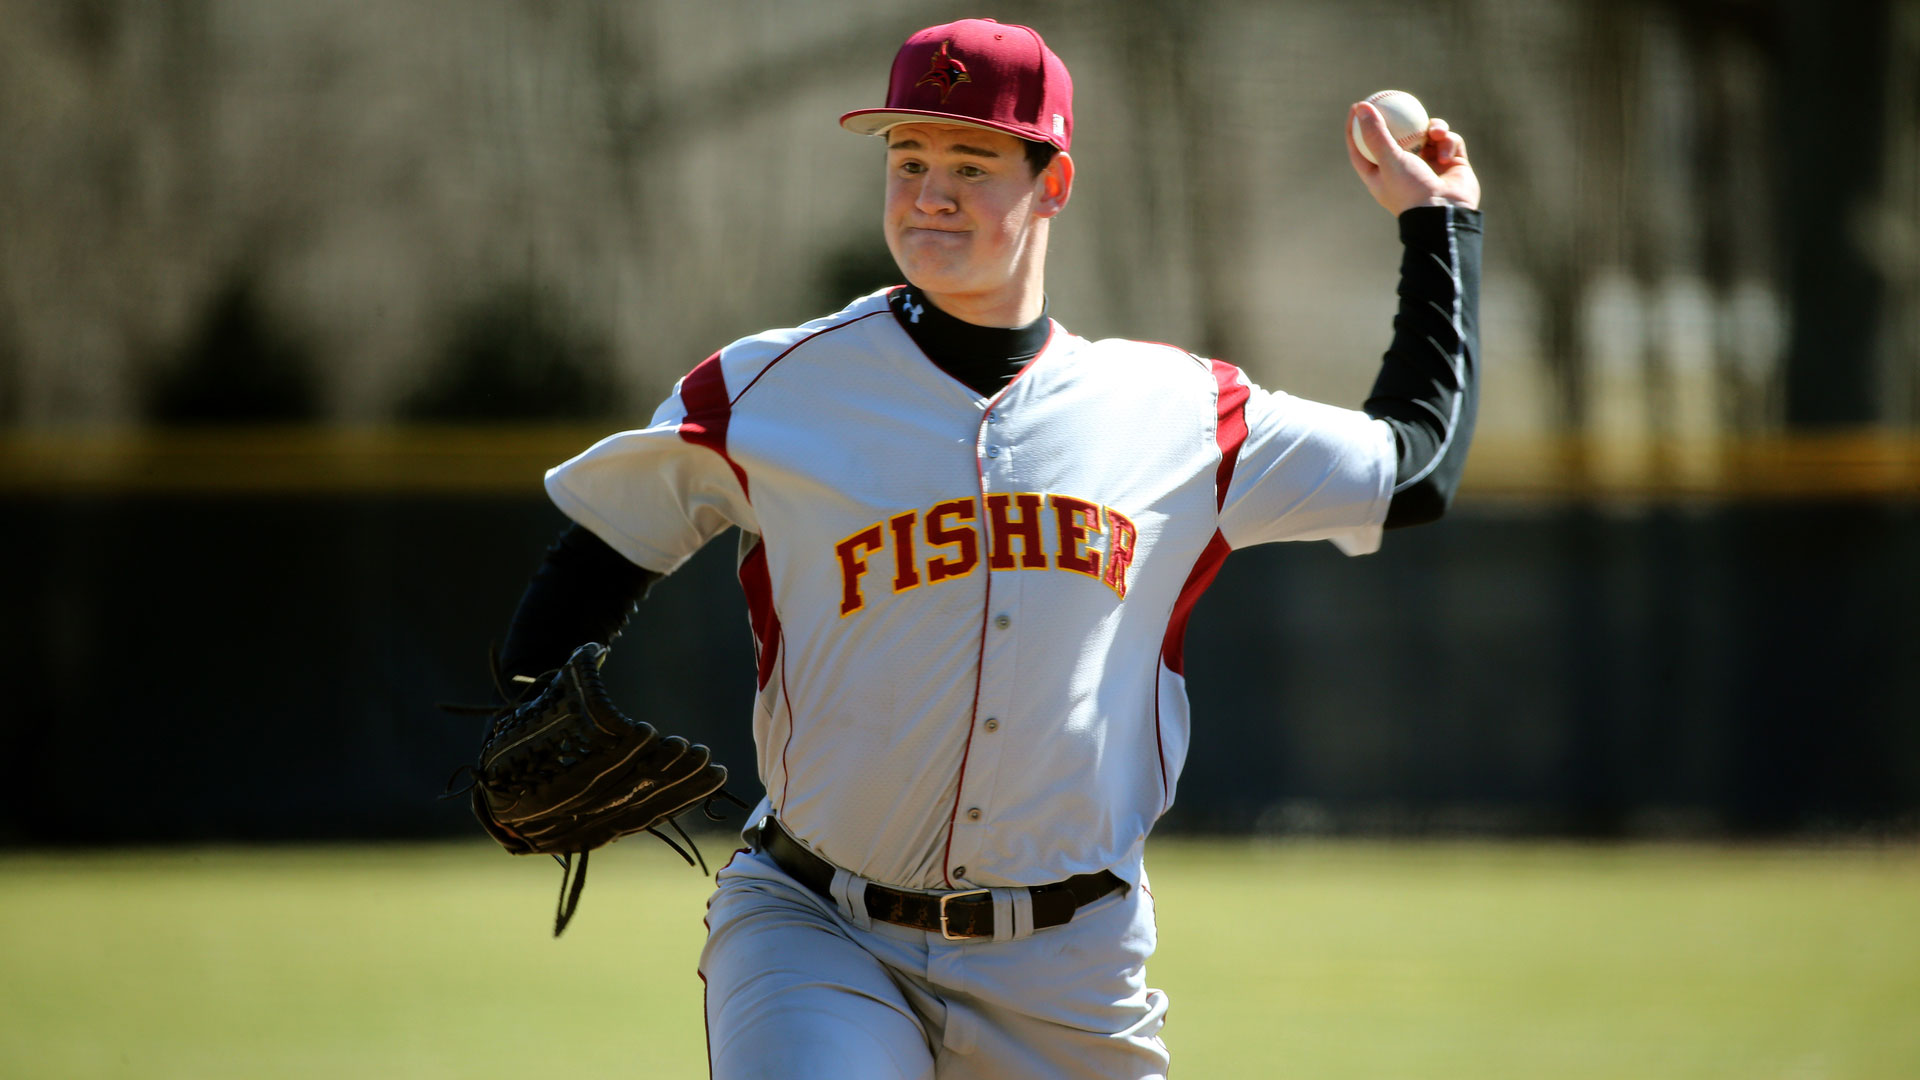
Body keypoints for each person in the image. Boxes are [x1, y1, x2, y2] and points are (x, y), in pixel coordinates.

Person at [494, 17, 1480, 1080]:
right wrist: (529, 688)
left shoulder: (1181, 411)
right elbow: (603, 549)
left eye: (972, 163)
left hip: (1071, 967)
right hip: (822, 929)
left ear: (1054, 183)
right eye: (908, 160)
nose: (931, 192)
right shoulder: (768, 389)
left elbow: (1413, 469)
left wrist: (1442, 231)